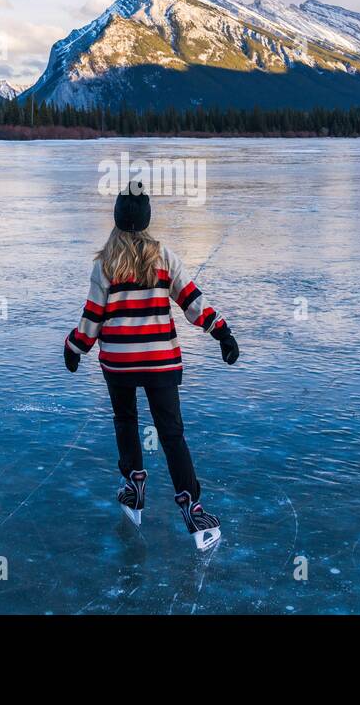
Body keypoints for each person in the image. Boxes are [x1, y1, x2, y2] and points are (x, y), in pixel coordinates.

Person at [64, 181, 240, 550]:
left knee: (126, 422)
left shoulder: (105, 264)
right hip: (160, 362)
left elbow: (92, 319)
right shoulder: (163, 257)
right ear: (145, 218)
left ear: (117, 217)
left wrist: (74, 346)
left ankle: (134, 484)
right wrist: (221, 332)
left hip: (120, 364)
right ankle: (192, 507)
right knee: (171, 434)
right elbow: (193, 303)